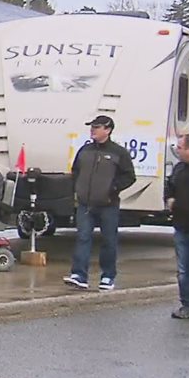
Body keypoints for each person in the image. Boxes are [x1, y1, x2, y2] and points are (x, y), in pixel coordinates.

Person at [64, 115, 136, 291]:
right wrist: (77, 189)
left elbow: (129, 176)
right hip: (85, 204)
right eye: (92, 127)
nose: (93, 130)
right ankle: (79, 275)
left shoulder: (119, 152)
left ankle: (108, 276)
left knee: (108, 241)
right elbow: (75, 171)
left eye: (97, 127)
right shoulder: (85, 150)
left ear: (108, 130)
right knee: (82, 237)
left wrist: (113, 188)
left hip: (108, 205)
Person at [165, 134, 189, 319]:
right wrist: (169, 199)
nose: (177, 150)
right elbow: (170, 185)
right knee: (183, 271)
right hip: (181, 226)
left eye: (180, 147)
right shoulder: (179, 168)